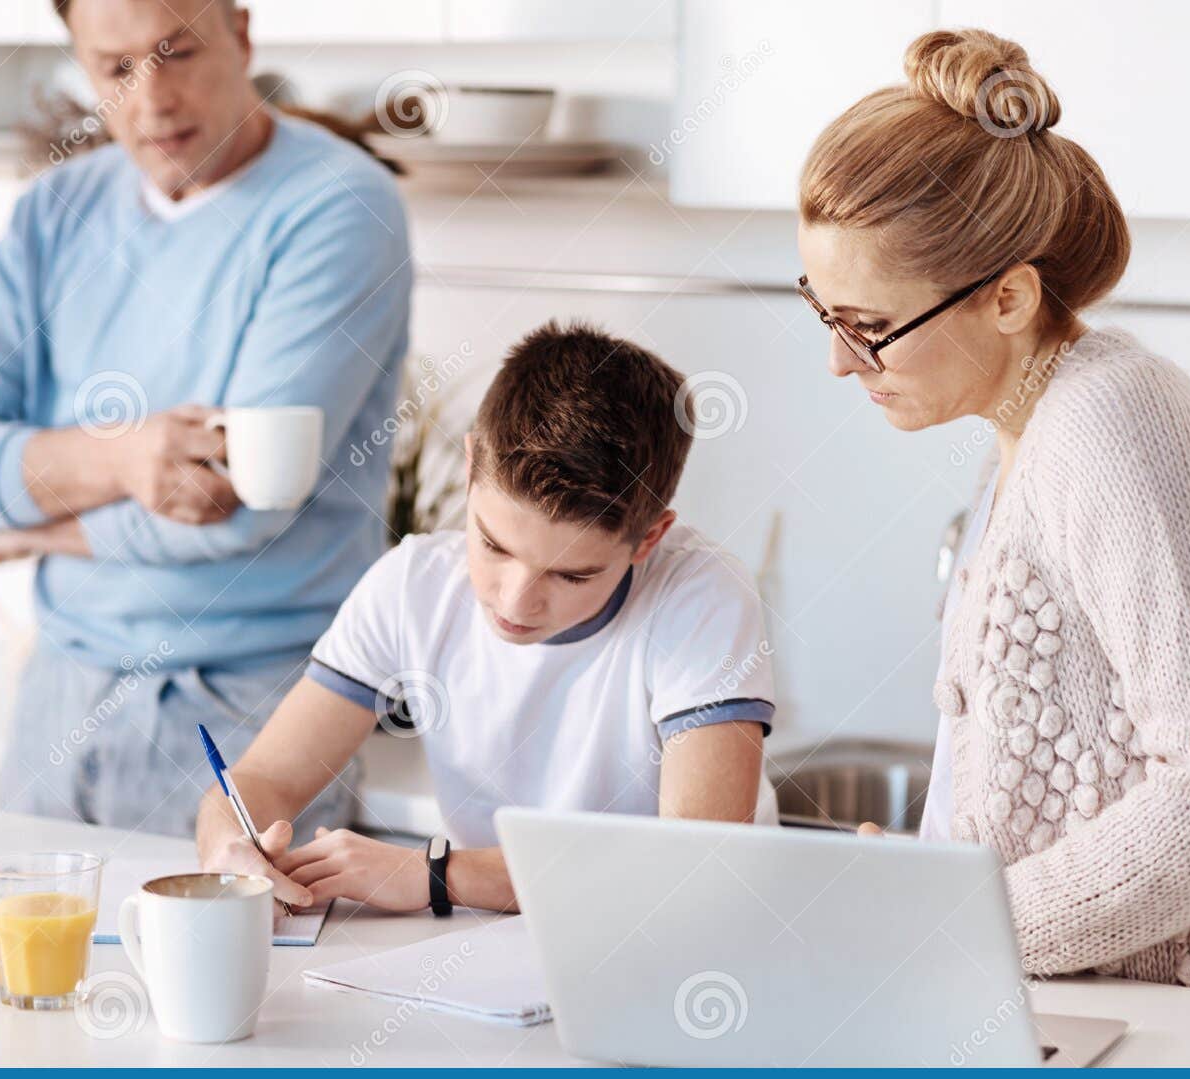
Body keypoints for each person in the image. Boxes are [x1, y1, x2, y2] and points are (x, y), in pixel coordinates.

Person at [794, 27, 1190, 1062]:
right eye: (820, 311)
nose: (840, 361)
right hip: (1090, 1032)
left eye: (866, 324)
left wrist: (959, 926)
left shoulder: (1113, 427)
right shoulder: (1031, 429)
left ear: (1006, 297)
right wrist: (929, 881)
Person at [0, 0, 411, 838]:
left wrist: (29, 525)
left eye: (176, 51)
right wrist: (128, 458)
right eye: (114, 68)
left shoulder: (337, 206)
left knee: (238, 974)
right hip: (57, 696)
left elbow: (233, 509)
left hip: (254, 717)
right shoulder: (55, 210)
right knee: (29, 972)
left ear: (242, 34)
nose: (151, 101)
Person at [195, 322, 777, 913]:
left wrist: (438, 876)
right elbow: (266, 778)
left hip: (680, 950)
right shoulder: (412, 585)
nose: (515, 602)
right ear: (472, 465)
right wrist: (228, 848)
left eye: (571, 575)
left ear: (649, 538)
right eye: (495, 546)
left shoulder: (702, 597)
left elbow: (699, 863)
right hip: (501, 948)